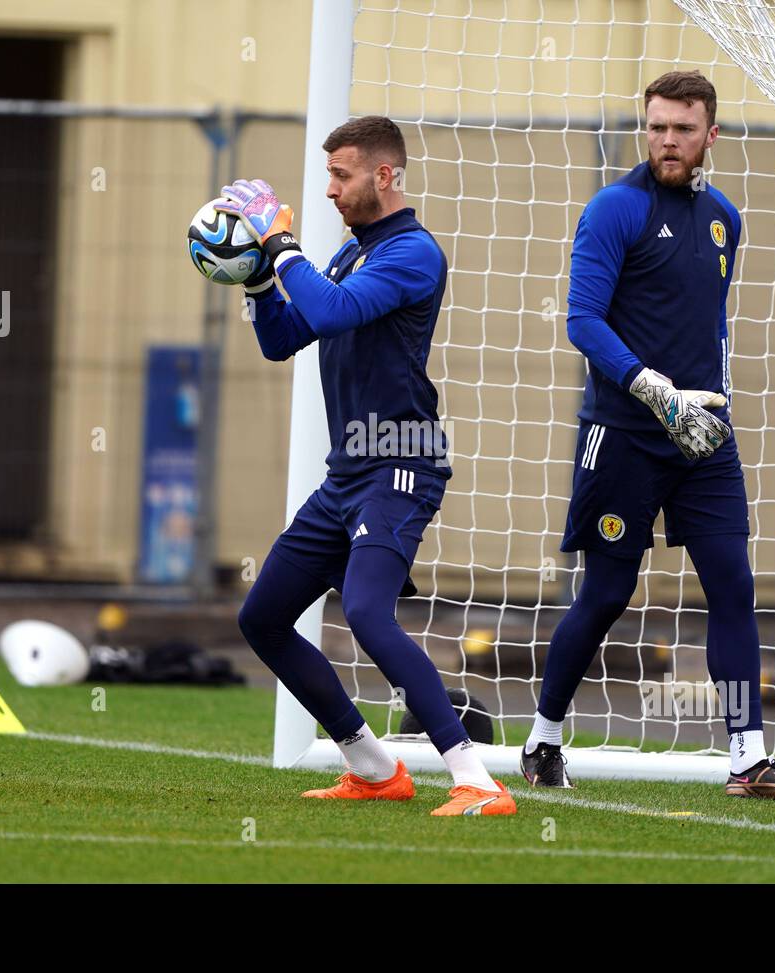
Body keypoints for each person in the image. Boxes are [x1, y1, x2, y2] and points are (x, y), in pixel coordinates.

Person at [521, 72, 775, 802]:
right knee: (607, 592)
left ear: (710, 135)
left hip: (702, 437)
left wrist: (709, 402)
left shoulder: (724, 218)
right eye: (656, 126)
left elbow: (711, 321)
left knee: (733, 584)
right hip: (625, 431)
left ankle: (748, 760)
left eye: (683, 129)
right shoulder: (613, 209)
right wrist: (652, 387)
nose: (667, 140)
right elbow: (583, 321)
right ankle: (543, 738)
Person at [215, 115, 516, 816]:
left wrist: (280, 245)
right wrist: (259, 280)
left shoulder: (412, 253)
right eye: (328, 175)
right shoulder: (355, 252)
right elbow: (288, 334)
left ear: (384, 175)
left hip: (401, 463)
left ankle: (477, 780)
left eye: (341, 174)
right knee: (262, 618)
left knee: (368, 614)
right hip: (350, 469)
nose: (329, 190)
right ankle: (373, 765)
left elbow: (333, 308)